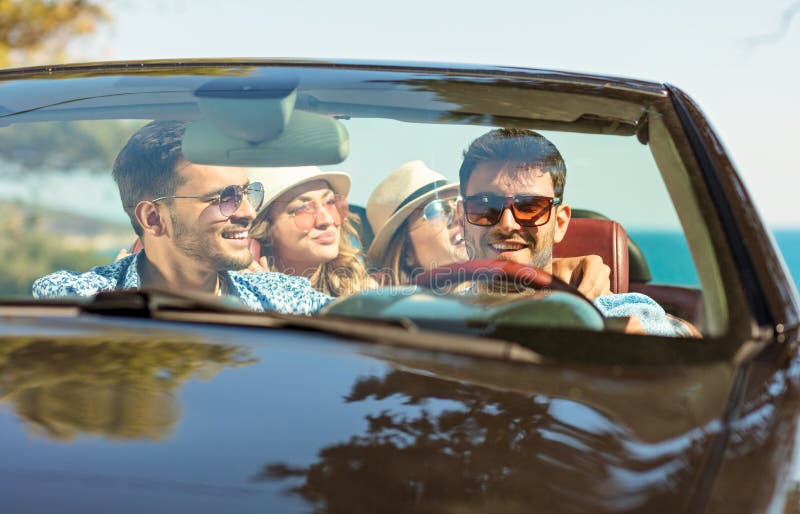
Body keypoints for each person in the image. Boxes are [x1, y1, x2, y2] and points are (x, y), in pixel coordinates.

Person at [32, 121, 332, 315]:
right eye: (223, 198)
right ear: (153, 218)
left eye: (245, 193)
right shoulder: (79, 301)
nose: (248, 213)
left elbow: (368, 323)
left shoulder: (280, 300)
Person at [458, 128, 692, 336]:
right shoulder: (429, 311)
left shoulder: (613, 316)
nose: (507, 224)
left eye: (529, 207)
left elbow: (690, 345)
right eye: (485, 206)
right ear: (461, 219)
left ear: (560, 223)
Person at [367, 160, 612, 299]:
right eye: (435, 210)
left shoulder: (581, 285)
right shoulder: (382, 308)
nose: (455, 217)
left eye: (458, 205)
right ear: (405, 251)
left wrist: (552, 271)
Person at [248, 166, 377, 297]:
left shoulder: (364, 294)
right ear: (264, 228)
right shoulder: (242, 297)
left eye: (331, 202)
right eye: (303, 208)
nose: (327, 219)